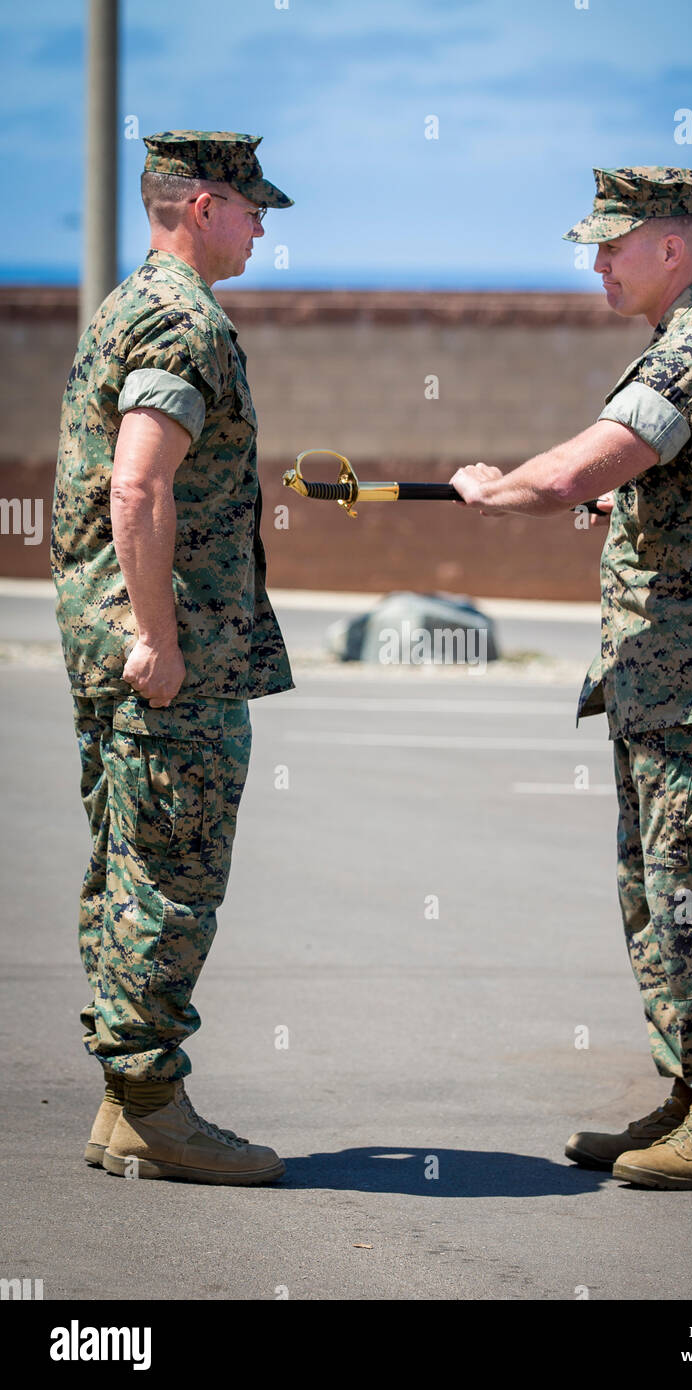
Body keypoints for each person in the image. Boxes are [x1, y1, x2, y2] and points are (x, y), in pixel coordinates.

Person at [450, 166, 692, 1190]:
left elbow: (573, 473)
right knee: (659, 901)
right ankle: (690, 1091)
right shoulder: (689, 343)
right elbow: (673, 491)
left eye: (611, 242)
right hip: (670, 682)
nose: (594, 261)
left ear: (672, 244)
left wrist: (497, 489)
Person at [51, 131, 295, 1185]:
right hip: (166, 656)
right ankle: (153, 1102)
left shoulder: (127, 301)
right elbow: (139, 486)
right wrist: (158, 634)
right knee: (170, 875)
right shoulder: (182, 321)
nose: (260, 225)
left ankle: (127, 1100)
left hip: (123, 644)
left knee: (127, 869)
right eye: (251, 208)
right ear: (200, 204)